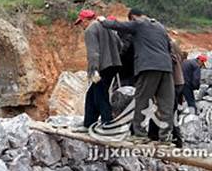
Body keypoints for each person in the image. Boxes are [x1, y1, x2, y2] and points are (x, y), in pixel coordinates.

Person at [99, 9, 175, 141]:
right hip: (166, 67)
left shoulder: (139, 23)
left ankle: (139, 134)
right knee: (166, 103)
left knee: (141, 99)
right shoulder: (160, 26)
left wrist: (102, 20)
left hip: (148, 67)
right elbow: (169, 47)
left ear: (133, 18)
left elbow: (118, 25)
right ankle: (166, 137)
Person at [74, 9, 122, 129]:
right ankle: (89, 122)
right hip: (114, 65)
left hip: (101, 67)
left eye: (81, 22)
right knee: (91, 95)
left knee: (100, 95)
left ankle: (108, 123)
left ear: (85, 20)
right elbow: (119, 44)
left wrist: (94, 70)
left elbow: (93, 53)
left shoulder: (90, 30)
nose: (81, 26)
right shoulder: (106, 26)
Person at [148, 39, 185, 147]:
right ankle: (155, 135)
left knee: (167, 112)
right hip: (176, 83)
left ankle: (175, 140)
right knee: (162, 110)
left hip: (172, 83)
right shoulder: (172, 47)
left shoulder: (167, 48)